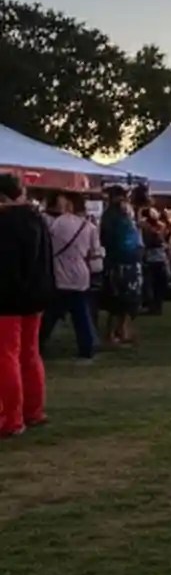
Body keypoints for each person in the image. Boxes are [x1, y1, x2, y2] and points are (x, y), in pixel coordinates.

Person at [0, 174, 54, 438]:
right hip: (35, 297)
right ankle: (34, 410)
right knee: (30, 354)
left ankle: (11, 418)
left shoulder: (5, 223)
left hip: (8, 299)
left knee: (6, 356)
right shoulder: (37, 219)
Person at [41, 191, 101, 362]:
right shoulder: (89, 227)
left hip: (60, 273)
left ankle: (38, 343)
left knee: (51, 314)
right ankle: (87, 347)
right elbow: (94, 252)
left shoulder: (58, 223)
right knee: (81, 314)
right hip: (81, 274)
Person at [98, 185, 144, 346]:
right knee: (116, 300)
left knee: (127, 300)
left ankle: (122, 330)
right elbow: (107, 239)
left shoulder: (124, 215)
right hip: (118, 261)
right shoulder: (111, 216)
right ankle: (112, 333)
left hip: (129, 260)